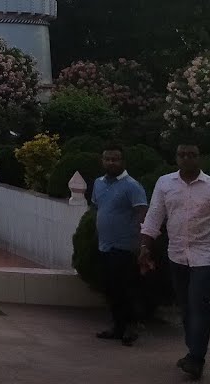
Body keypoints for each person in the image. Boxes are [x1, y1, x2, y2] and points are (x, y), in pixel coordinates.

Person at [139, 142, 210, 380]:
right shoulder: (165, 184)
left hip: (205, 257)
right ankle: (193, 351)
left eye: (192, 155)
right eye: (182, 154)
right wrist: (145, 247)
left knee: (198, 304)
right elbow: (154, 215)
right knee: (186, 307)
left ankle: (197, 358)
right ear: (176, 157)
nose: (187, 159)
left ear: (200, 157)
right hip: (176, 254)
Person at [92, 144, 148, 346]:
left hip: (125, 246)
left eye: (115, 159)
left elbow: (142, 213)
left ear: (123, 162)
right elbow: (98, 208)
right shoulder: (98, 183)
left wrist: (143, 245)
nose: (111, 162)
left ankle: (131, 327)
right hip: (104, 245)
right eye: (107, 159)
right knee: (110, 288)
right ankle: (117, 327)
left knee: (126, 289)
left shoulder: (132, 186)